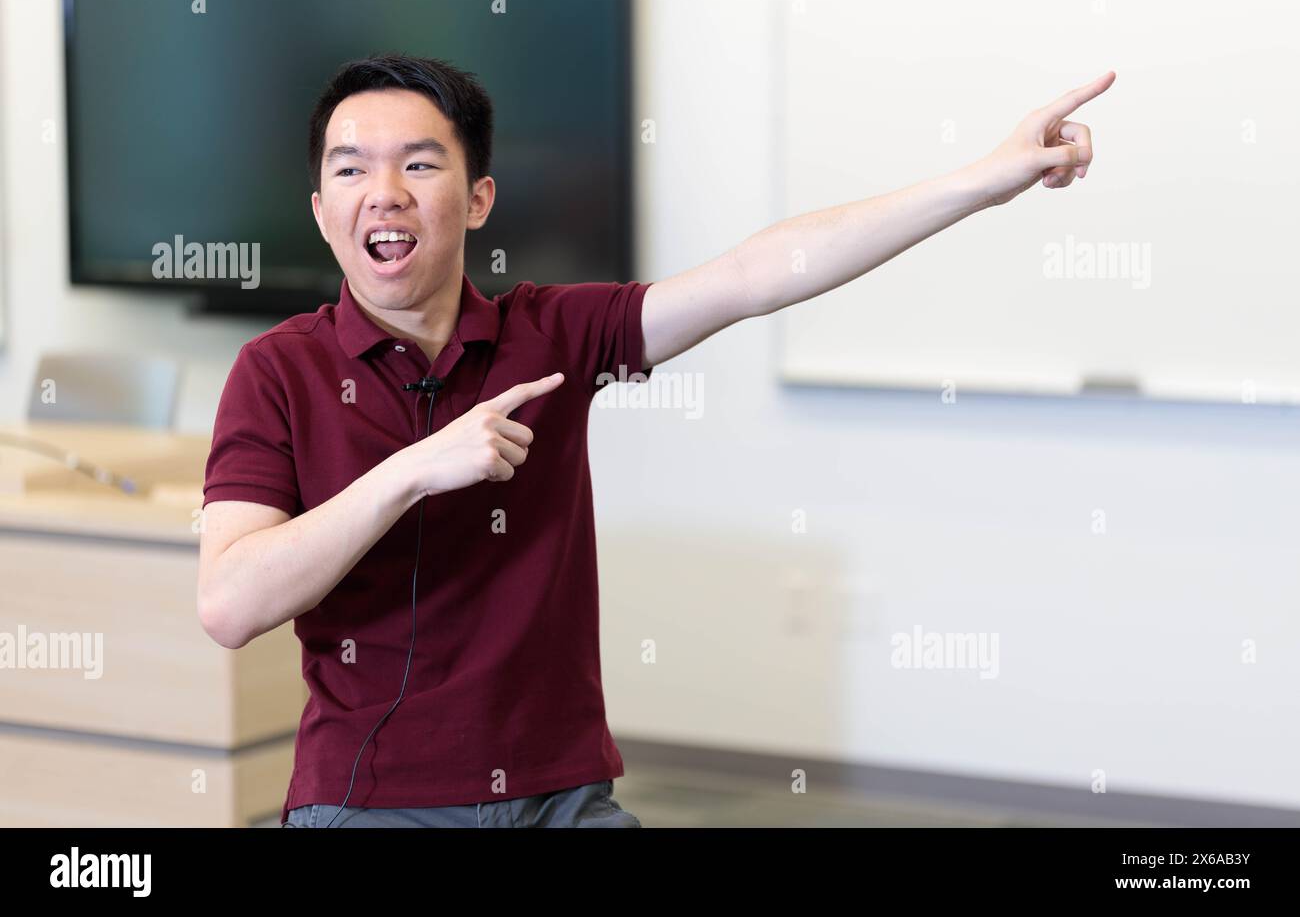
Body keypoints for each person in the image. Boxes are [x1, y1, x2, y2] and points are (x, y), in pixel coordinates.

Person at [197, 53, 1114, 828]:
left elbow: (756, 275)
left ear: (477, 199)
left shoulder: (551, 334)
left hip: (560, 795)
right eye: (351, 170)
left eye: (419, 166)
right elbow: (230, 604)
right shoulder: (277, 373)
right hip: (372, 799)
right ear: (321, 210)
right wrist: (408, 474)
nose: (384, 194)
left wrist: (980, 182)